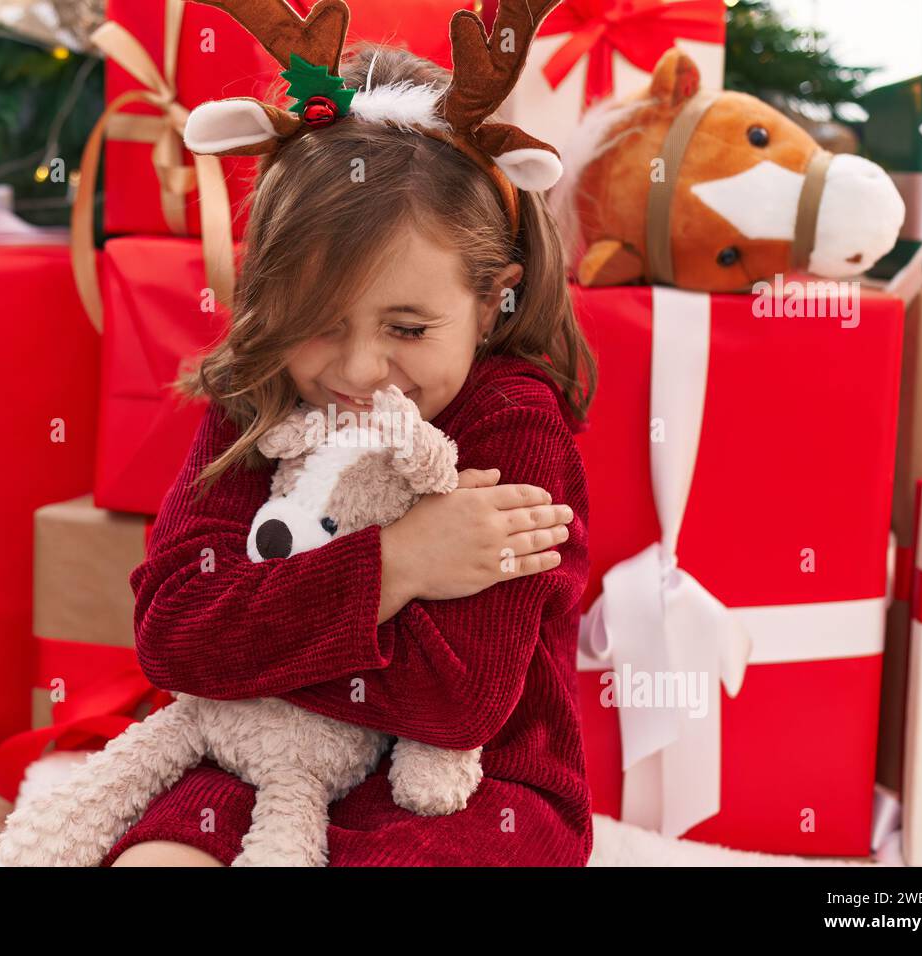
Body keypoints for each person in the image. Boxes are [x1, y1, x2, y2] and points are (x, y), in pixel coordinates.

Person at [104, 39, 597, 867]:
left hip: (473, 786)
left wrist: (252, 649)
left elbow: (457, 701)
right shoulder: (263, 396)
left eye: (408, 329)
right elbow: (173, 635)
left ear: (491, 298)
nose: (360, 370)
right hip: (267, 755)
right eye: (320, 322)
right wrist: (398, 564)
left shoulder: (515, 424)